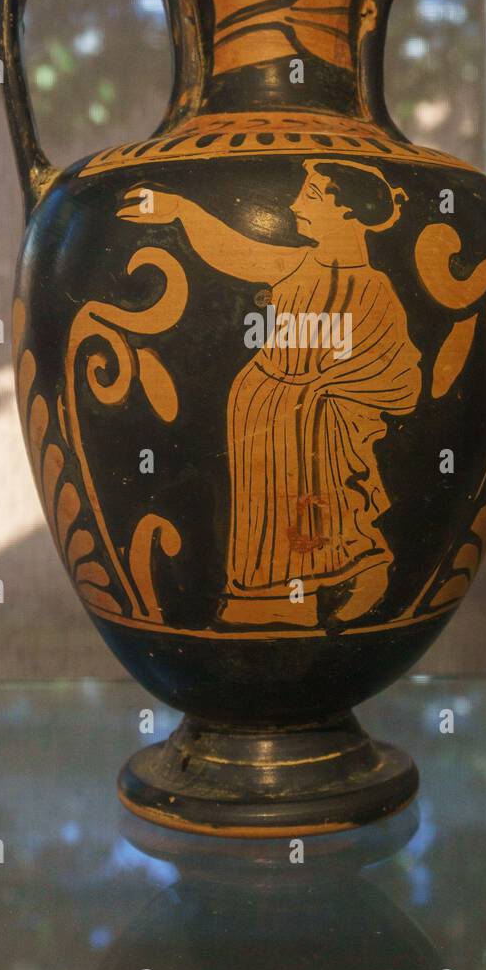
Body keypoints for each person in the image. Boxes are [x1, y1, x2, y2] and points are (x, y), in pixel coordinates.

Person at [118, 159, 421, 627]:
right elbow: (234, 251)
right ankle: (271, 600)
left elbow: (399, 371)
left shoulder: (375, 289)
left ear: (347, 211)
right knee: (267, 511)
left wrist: (326, 389)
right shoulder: (297, 264)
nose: (296, 204)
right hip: (263, 411)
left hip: (321, 419)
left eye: (313, 195)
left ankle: (359, 570)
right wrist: (181, 209)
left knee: (324, 508)